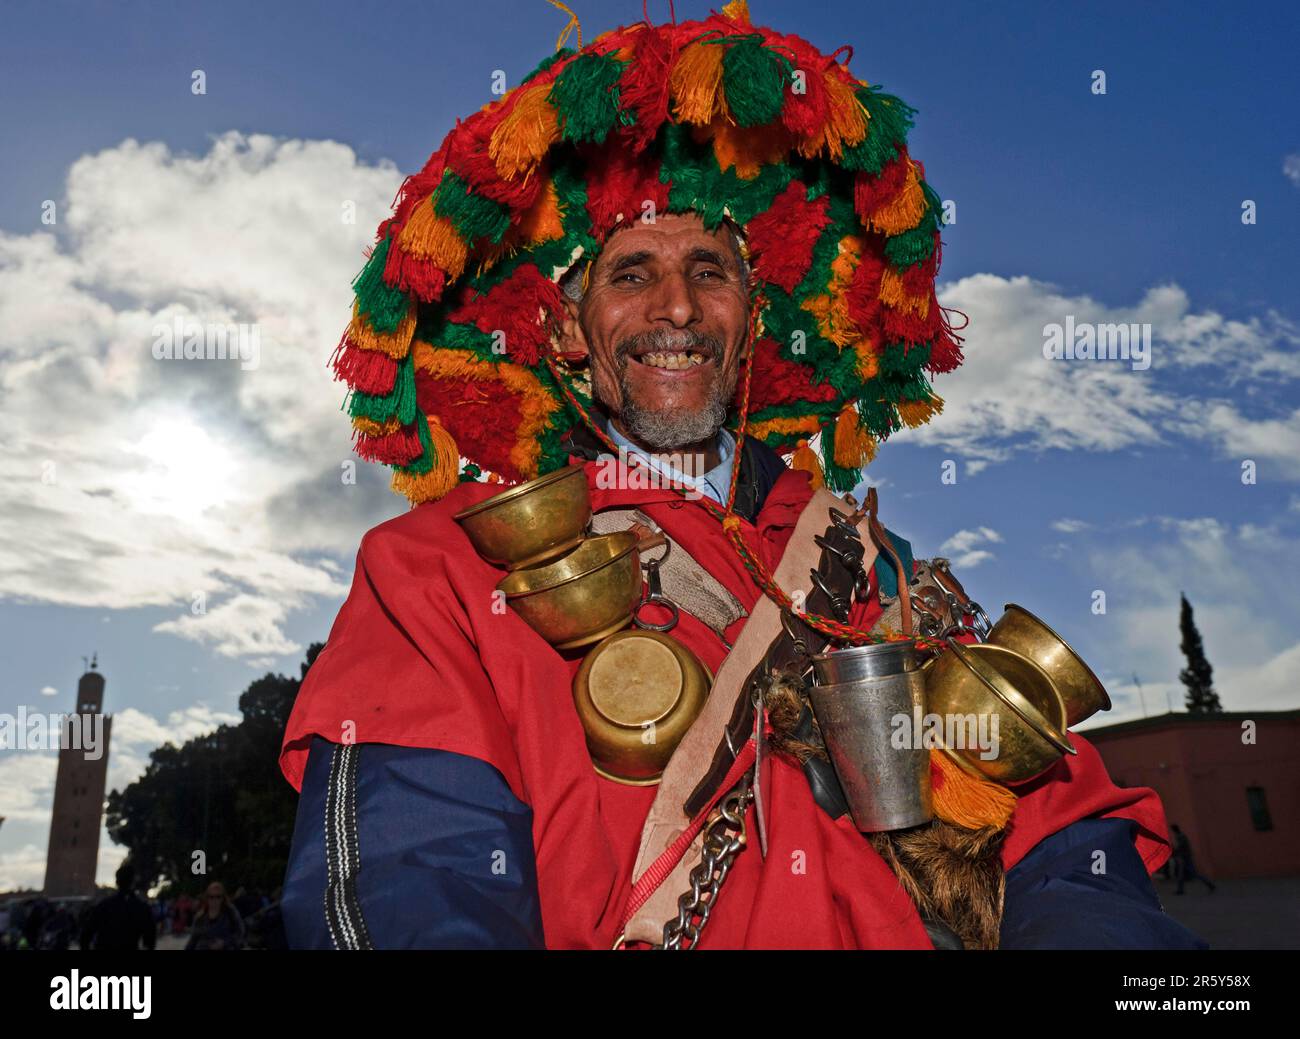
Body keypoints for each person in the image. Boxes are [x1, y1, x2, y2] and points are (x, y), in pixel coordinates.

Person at [279, 1, 1204, 950]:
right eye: (631, 273)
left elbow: (1059, 825)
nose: (677, 304)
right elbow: (411, 883)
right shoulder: (440, 567)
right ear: (566, 330)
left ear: (753, 319)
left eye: (711, 271)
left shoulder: (873, 564)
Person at [79, 864, 155, 951]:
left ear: (116, 882)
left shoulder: (103, 906)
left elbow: (85, 936)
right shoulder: (143, 908)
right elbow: (150, 940)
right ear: (134, 881)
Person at [185, 882, 245, 951]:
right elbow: (193, 940)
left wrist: (224, 942)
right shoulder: (200, 917)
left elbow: (240, 932)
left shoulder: (230, 913)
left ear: (223, 898)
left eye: (218, 896)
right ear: (207, 898)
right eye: (211, 897)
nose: (214, 900)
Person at [1170, 823, 1217, 895]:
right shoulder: (1181, 836)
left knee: (1190, 874)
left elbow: (1181, 847)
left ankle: (1210, 884)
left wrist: (1175, 850)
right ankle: (1180, 889)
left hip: (1185, 858)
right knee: (1183, 874)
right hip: (1185, 857)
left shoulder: (1180, 837)